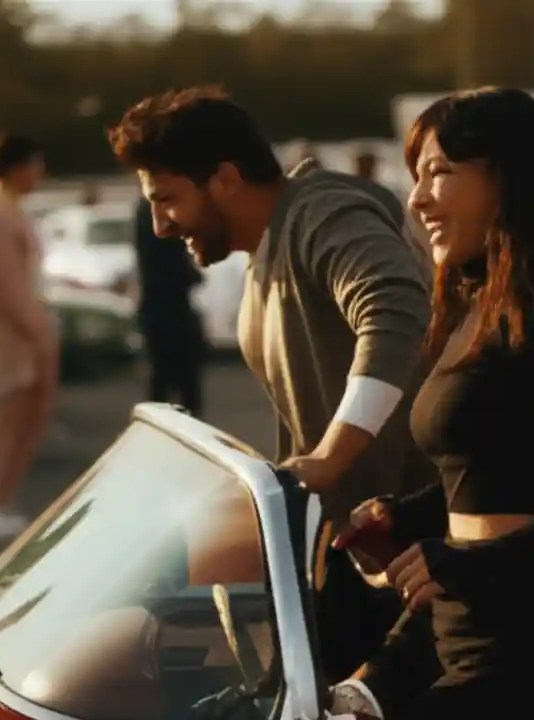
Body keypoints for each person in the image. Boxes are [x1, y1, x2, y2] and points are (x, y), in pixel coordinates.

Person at [328, 87, 534, 719]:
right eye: (416, 176)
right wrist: (408, 518)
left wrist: (465, 565)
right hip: (452, 638)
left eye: (440, 173)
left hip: (527, 664)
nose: (418, 197)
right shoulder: (479, 303)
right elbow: (506, 474)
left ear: (508, 180)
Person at [108, 86, 437, 682]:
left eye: (168, 200)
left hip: (418, 561)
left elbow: (393, 311)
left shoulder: (322, 213)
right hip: (348, 559)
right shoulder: (265, 248)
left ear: (226, 179)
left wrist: (332, 457)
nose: (159, 226)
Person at [0, 133, 57, 542]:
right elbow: (4, 286)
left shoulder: (6, 208)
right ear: (18, 167)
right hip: (13, 334)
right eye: (35, 165)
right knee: (9, 421)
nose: (40, 174)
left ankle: (2, 502)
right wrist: (38, 334)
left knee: (24, 422)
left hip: (25, 329)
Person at [133, 195, 206, 416]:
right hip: (173, 312)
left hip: (155, 310)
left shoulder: (145, 209)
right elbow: (175, 267)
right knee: (184, 385)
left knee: (160, 381)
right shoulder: (161, 210)